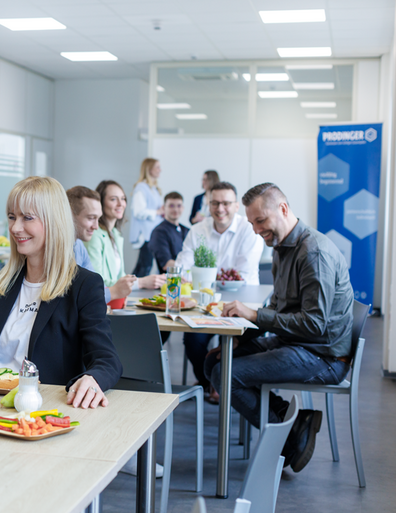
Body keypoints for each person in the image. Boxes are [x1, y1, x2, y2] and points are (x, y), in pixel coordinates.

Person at [204, 183, 354, 473]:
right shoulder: (281, 248)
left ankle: (284, 436)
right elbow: (277, 308)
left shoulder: (313, 254)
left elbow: (314, 324)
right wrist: (242, 336)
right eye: (251, 223)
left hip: (323, 355)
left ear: (283, 209)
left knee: (227, 374)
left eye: (261, 221)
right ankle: (292, 421)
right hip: (294, 343)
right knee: (214, 360)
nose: (257, 230)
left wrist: (255, 314)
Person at [0, 177, 123, 409]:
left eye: (27, 217)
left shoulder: (83, 286)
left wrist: (93, 378)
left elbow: (107, 360)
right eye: (12, 217)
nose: (16, 228)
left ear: (53, 221)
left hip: (43, 409)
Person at [176, 181, 263, 401]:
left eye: (225, 203)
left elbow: (242, 273)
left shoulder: (249, 229)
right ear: (208, 204)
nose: (220, 208)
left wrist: (203, 275)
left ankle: (228, 383)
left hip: (243, 303)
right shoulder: (197, 230)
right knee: (193, 341)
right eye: (214, 203)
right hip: (203, 305)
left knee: (238, 343)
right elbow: (183, 265)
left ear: (236, 206)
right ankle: (210, 382)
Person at [85, 180, 166, 293]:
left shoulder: (116, 235)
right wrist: (142, 282)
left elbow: (120, 278)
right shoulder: (94, 235)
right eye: (113, 199)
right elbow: (97, 282)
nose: (120, 204)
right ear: (101, 203)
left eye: (123, 199)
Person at [67, 186, 130, 304]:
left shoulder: (79, 246)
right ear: (69, 215)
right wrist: (114, 291)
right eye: (91, 218)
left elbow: (94, 286)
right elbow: (76, 298)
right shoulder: (57, 249)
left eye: (98, 219)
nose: (96, 226)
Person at [130, 158, 164, 277]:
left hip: (153, 233)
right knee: (145, 266)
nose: (160, 170)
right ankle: (131, 289)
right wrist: (157, 212)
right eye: (157, 167)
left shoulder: (154, 189)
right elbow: (138, 212)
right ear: (149, 169)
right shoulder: (141, 188)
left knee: (144, 266)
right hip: (145, 235)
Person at [149, 191, 190, 272]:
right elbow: (167, 264)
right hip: (170, 281)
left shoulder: (187, 231)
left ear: (183, 208)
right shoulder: (159, 232)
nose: (175, 209)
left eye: (179, 206)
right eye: (171, 206)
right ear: (163, 208)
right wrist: (189, 269)